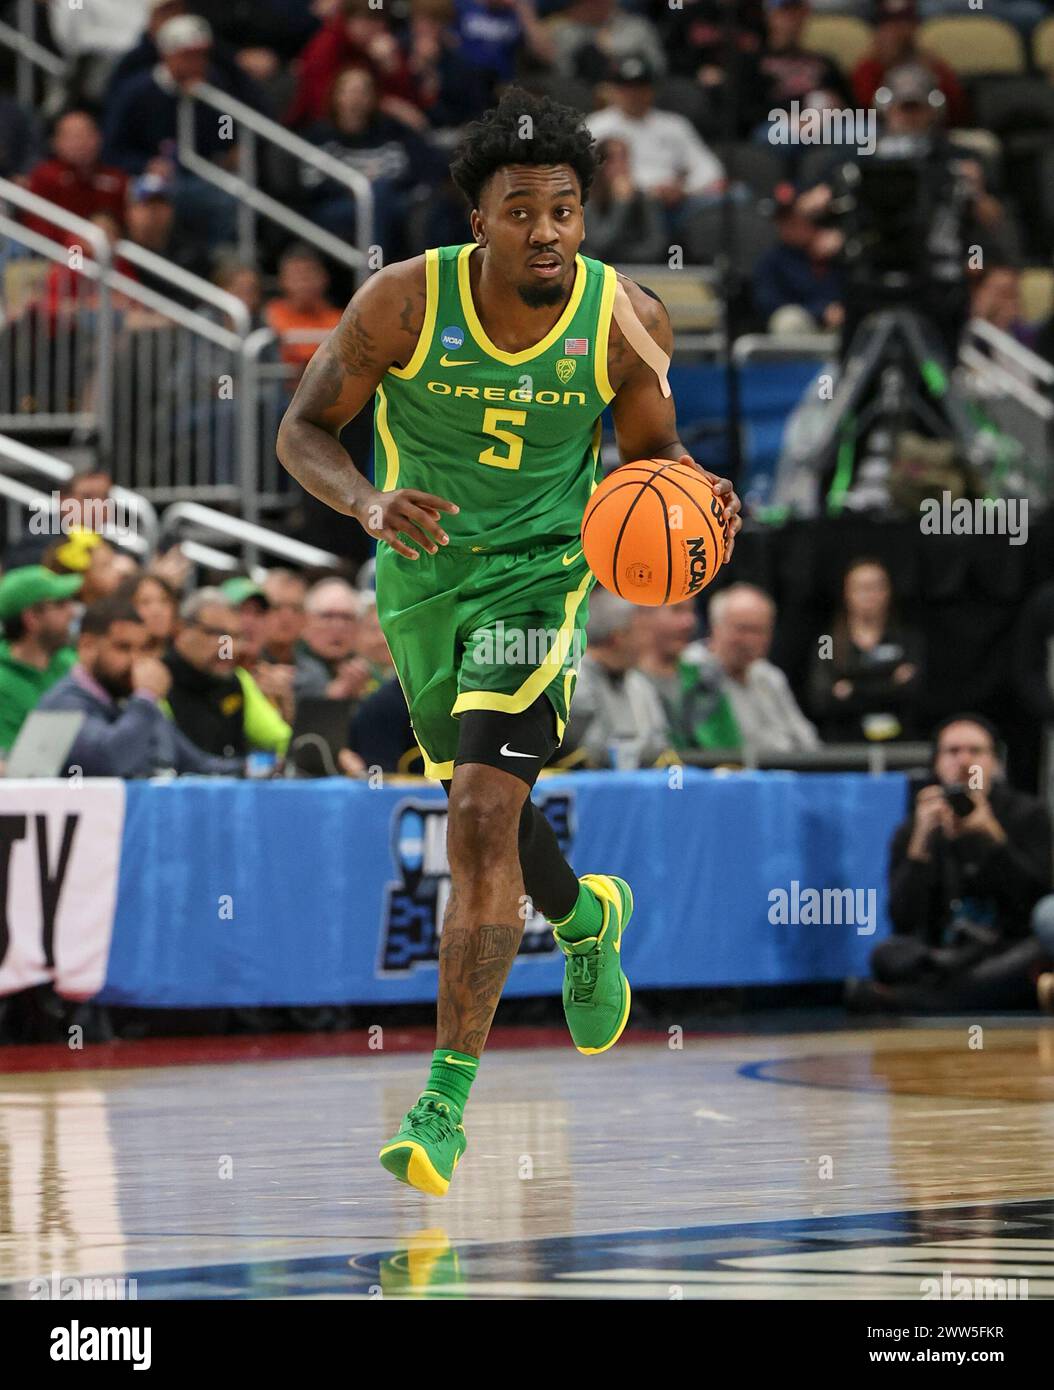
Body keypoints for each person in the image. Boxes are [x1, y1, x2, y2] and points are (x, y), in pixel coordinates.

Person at [277, 88, 741, 1196]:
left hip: (541, 576)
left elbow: (648, 462)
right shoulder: (402, 304)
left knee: (482, 810)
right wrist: (366, 502)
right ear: (477, 218)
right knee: (482, 806)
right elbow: (302, 429)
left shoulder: (625, 317)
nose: (547, 230)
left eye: (566, 208)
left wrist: (695, 494)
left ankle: (441, 1106)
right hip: (422, 574)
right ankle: (587, 917)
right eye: (523, 208)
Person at [857, 716, 1053, 1012]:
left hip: (1008, 946)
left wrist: (993, 837)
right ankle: (967, 995)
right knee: (886, 955)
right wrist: (920, 844)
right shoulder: (915, 826)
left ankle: (915, 1001)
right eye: (952, 751)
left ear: (995, 763)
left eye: (975, 751)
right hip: (945, 955)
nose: (963, 761)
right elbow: (902, 919)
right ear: (936, 763)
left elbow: (1038, 902)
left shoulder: (1027, 814)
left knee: (1038, 949)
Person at [36, 597, 242, 777]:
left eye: (142, 649)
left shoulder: (129, 701)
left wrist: (252, 768)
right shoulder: (62, 704)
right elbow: (108, 763)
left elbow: (198, 765)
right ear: (87, 646)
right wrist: (145, 699)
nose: (136, 660)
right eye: (123, 648)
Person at [683, 583, 820, 758]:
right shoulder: (691, 671)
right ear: (716, 627)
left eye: (759, 631)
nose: (750, 640)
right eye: (742, 629)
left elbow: (808, 741)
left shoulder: (769, 676)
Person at [586, 56, 724, 228]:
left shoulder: (674, 124)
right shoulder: (596, 125)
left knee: (736, 197)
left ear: (652, 89)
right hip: (625, 205)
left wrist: (683, 189)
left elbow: (709, 170)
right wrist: (640, 192)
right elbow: (582, 176)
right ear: (614, 90)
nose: (634, 94)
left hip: (675, 203)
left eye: (640, 87)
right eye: (627, 88)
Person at [164, 588, 291, 758]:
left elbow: (282, 739)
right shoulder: (158, 680)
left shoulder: (237, 681)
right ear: (182, 630)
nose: (228, 648)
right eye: (218, 634)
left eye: (236, 637)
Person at [807, 557, 924, 741]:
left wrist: (851, 688)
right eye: (862, 588)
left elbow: (913, 692)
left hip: (899, 743)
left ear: (888, 591)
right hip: (843, 745)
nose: (870, 595)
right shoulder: (827, 642)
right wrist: (890, 683)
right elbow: (821, 698)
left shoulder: (908, 639)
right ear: (847, 592)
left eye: (877, 587)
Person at [563, 591, 674, 768]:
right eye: (643, 632)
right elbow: (583, 751)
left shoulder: (640, 685)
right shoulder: (572, 678)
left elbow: (661, 746)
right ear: (618, 637)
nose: (648, 641)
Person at [0, 566, 82, 754]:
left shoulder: (70, 663)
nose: (73, 612)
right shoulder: (3, 685)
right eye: (61, 604)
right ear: (32, 618)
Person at [852, 0, 967, 127]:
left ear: (915, 27)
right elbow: (861, 110)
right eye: (890, 24)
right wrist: (885, 67)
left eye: (905, 22)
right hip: (880, 132)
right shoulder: (868, 68)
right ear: (879, 30)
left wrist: (930, 74)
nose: (898, 30)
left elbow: (958, 113)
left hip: (932, 132)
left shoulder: (933, 65)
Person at [23, 110, 128, 246]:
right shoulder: (44, 176)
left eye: (86, 135)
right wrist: (78, 240)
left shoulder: (117, 179)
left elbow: (125, 228)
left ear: (99, 138)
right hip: (59, 255)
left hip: (110, 256)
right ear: (56, 142)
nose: (80, 143)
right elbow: (36, 227)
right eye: (72, 137)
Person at [264, 245, 344, 385]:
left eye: (308, 275)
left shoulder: (339, 319)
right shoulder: (272, 313)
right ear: (282, 281)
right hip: (280, 394)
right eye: (296, 277)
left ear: (323, 279)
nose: (303, 283)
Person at [582, 137, 668, 265]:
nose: (622, 168)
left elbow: (657, 247)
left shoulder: (645, 199)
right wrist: (620, 204)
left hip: (638, 269)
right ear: (600, 166)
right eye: (614, 162)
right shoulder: (587, 199)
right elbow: (598, 244)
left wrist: (621, 255)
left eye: (625, 160)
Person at [294, 577, 376, 703]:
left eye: (347, 617)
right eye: (327, 616)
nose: (338, 626)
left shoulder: (369, 670)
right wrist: (331, 698)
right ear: (306, 621)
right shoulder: (289, 668)